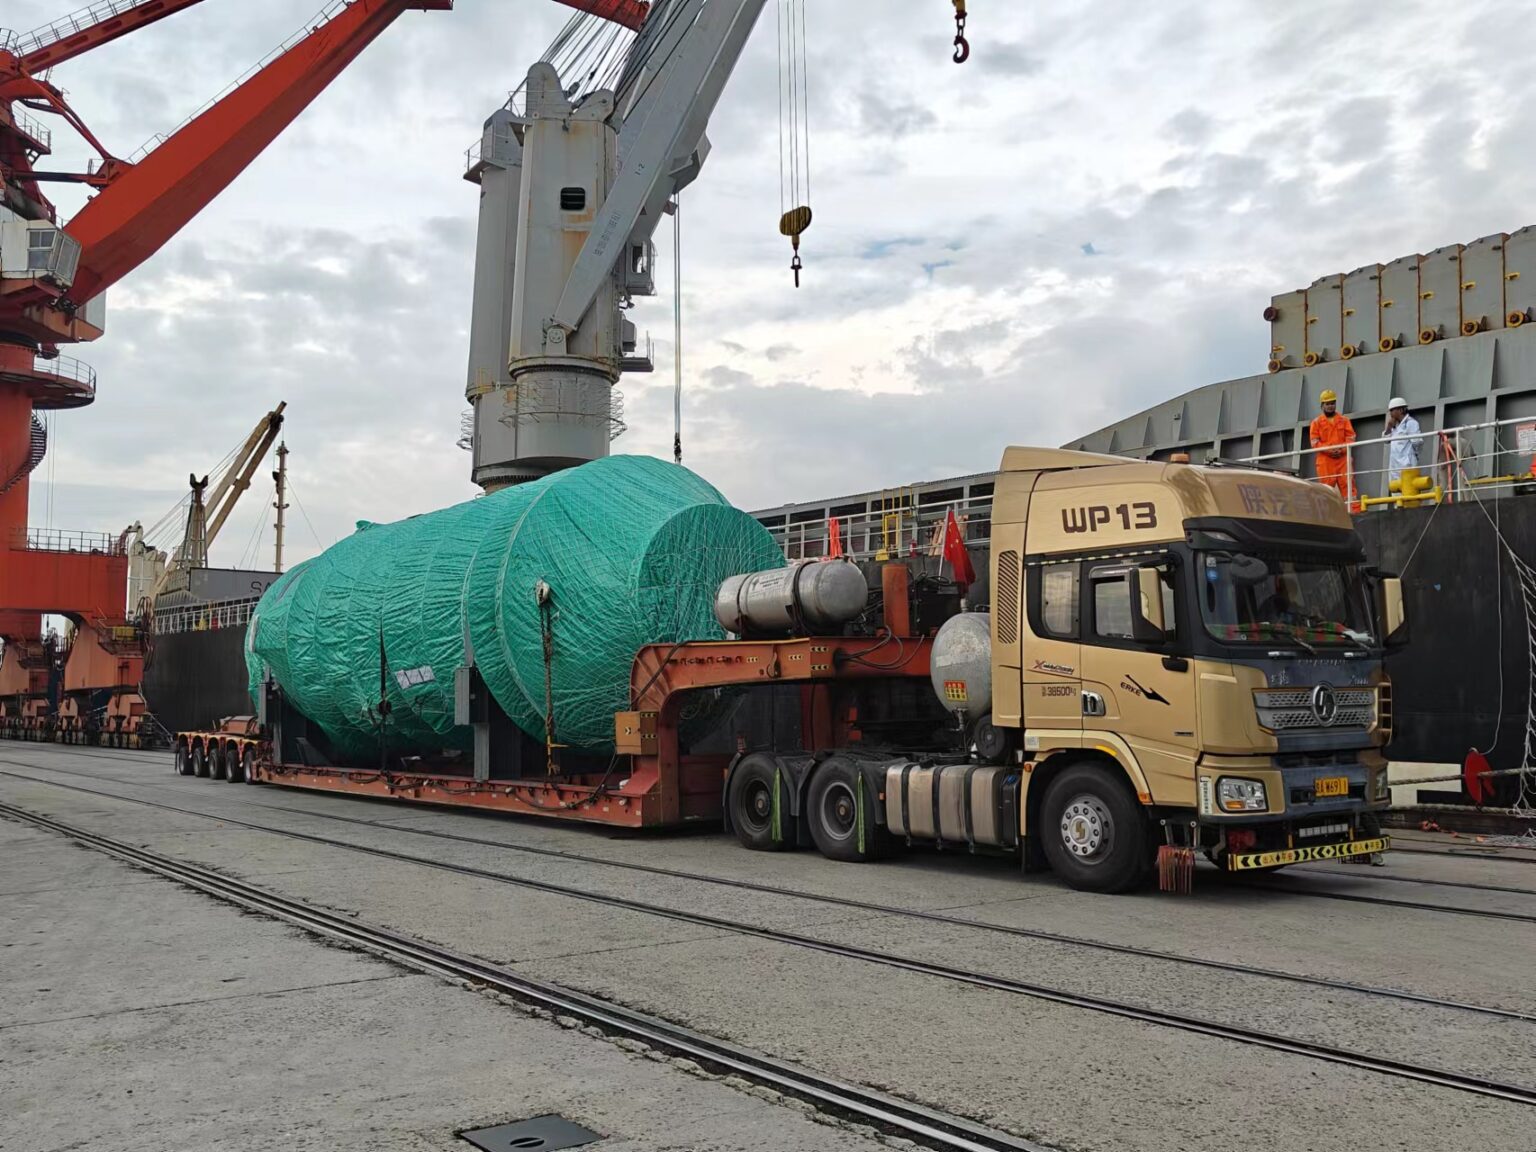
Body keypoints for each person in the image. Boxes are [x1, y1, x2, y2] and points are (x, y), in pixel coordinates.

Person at [1308, 389, 1356, 504]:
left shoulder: (1344, 420)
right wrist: (1330, 451)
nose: (1330, 406)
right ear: (1322, 405)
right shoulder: (1316, 423)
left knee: (1349, 487)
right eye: (1328, 404)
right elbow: (1314, 442)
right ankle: (1327, 517)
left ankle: (1354, 513)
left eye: (1332, 403)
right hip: (1325, 461)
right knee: (1326, 490)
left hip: (1343, 459)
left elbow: (1351, 437)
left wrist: (1342, 449)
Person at [1384, 396, 1422, 487]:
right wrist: (1389, 427)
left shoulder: (1411, 423)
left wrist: (1411, 457)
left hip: (1407, 465)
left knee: (1408, 491)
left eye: (1392, 410)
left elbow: (1417, 443)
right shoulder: (1394, 426)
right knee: (1395, 491)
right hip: (1394, 466)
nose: (1390, 413)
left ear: (1400, 410)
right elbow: (1386, 440)